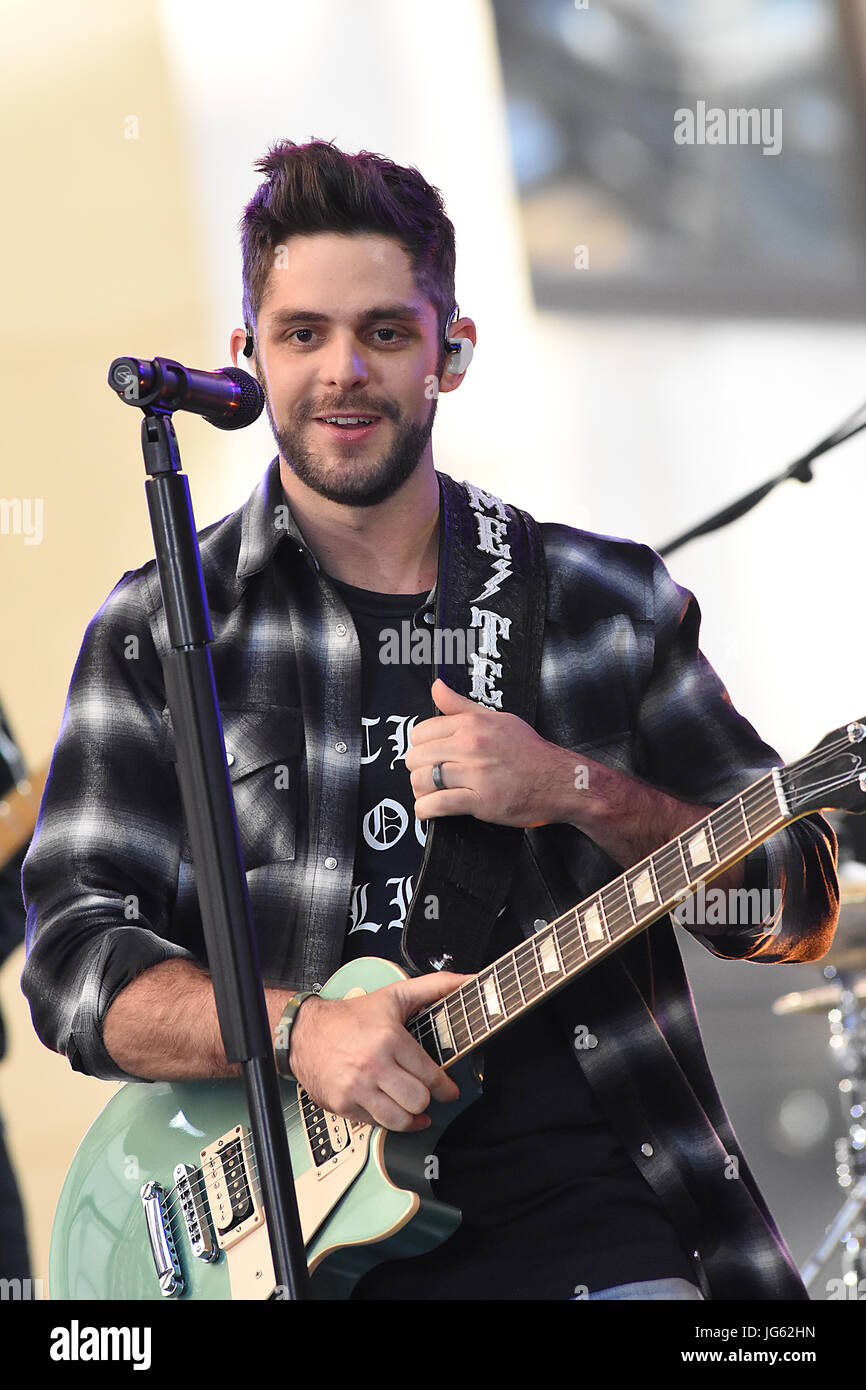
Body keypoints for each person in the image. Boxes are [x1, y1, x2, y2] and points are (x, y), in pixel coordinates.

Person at [21, 138, 838, 1302]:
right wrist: (299, 1031)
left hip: (607, 1239)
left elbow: (792, 902)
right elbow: (72, 961)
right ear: (246, 355)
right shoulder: (166, 627)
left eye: (385, 333)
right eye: (303, 334)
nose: (343, 369)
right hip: (299, 1264)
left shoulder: (604, 603)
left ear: (448, 353)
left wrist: (574, 789)